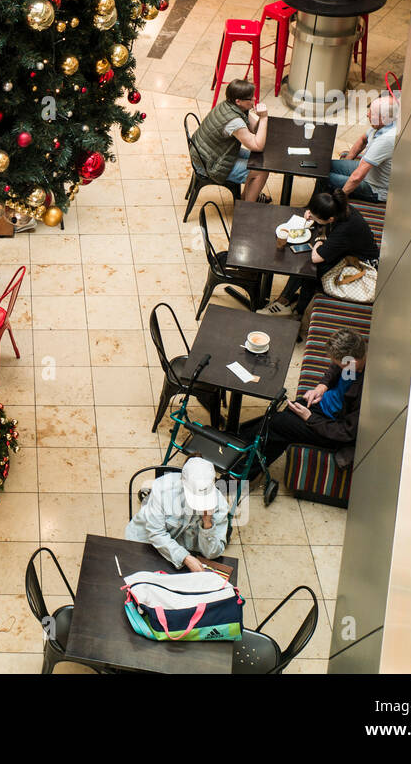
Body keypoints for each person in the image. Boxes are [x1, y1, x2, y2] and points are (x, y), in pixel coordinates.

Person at [241, 328, 366, 471]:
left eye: (339, 363)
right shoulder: (353, 360)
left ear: (353, 361)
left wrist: (310, 418)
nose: (337, 365)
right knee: (282, 420)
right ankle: (246, 452)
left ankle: (240, 453)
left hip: (330, 427)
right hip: (321, 405)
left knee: (278, 423)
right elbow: (334, 370)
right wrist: (321, 387)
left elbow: (346, 432)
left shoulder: (365, 393)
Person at [262, 189, 379, 317]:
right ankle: (284, 301)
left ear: (330, 219)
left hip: (362, 266)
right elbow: (325, 223)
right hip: (349, 253)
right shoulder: (339, 208)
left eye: (315, 217)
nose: (312, 217)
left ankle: (296, 312)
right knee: (308, 265)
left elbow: (317, 257)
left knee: (312, 269)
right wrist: (312, 214)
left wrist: (320, 238)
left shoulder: (345, 228)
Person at [125, 457, 230, 571]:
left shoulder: (220, 505)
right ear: (182, 482)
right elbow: (156, 533)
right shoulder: (162, 488)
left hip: (183, 553)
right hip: (147, 542)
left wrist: (207, 523)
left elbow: (212, 554)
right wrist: (184, 557)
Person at [189, 79, 272, 203]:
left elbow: (254, 129)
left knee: (259, 159)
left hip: (208, 153)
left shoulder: (230, 105)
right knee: (262, 170)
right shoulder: (234, 122)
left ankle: (247, 197)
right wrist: (264, 118)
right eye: (251, 99)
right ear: (238, 101)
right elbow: (257, 145)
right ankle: (247, 208)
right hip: (211, 164)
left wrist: (260, 118)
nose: (254, 100)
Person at [324, 95, 397, 202]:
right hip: (367, 172)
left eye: (372, 113)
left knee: (325, 178)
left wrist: (340, 198)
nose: (368, 115)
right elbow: (363, 140)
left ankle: (322, 211)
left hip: (374, 188)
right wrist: (346, 163)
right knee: (324, 167)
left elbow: (357, 177)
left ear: (384, 118)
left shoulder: (386, 140)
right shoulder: (384, 124)